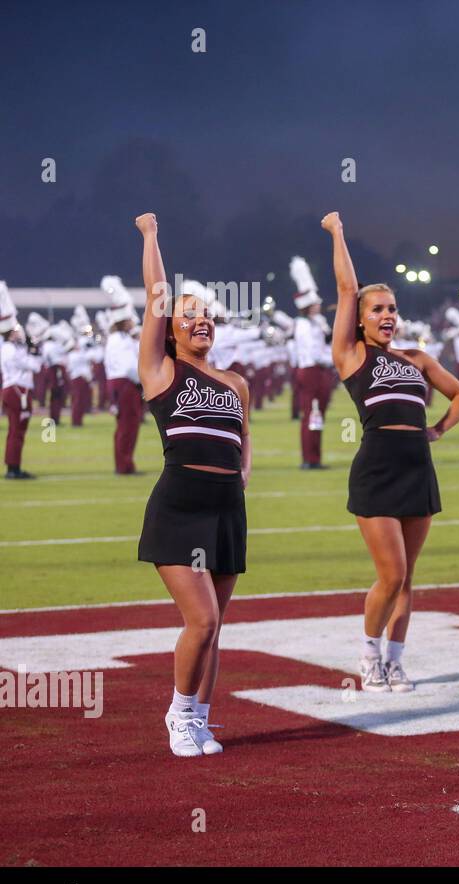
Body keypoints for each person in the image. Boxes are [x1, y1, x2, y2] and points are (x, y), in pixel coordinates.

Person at [323, 212, 459, 694]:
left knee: (408, 579)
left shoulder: (419, 360)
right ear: (361, 319)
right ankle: (368, 656)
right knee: (391, 574)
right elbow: (347, 289)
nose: (388, 316)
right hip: (378, 469)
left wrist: (438, 431)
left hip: (418, 468)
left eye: (392, 308)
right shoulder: (352, 356)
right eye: (378, 310)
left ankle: (396, 662)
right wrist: (339, 233)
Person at [133, 212, 251, 758]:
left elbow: (242, 440)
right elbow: (158, 292)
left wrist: (242, 475)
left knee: (216, 625)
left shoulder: (236, 383)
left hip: (226, 509)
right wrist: (153, 236)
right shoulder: (161, 371)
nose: (201, 322)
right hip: (180, 508)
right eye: (190, 317)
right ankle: (179, 715)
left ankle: (202, 718)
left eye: (207, 317)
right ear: (172, 328)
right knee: (200, 620)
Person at [290, 257, 333, 470]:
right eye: (316, 303)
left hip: (318, 372)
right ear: (308, 306)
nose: (320, 304)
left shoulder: (316, 323)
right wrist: (334, 360)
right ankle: (310, 459)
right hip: (312, 372)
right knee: (312, 415)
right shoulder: (304, 326)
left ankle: (314, 457)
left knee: (317, 416)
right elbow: (315, 354)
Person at [102, 277, 143, 476]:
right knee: (129, 426)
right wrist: (142, 382)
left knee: (123, 426)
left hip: (117, 383)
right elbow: (129, 367)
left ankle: (123, 463)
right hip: (126, 383)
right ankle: (125, 465)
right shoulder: (121, 340)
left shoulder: (115, 339)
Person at [1, 309, 42, 480]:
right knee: (17, 430)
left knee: (16, 430)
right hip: (17, 391)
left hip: (16, 389)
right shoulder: (10, 349)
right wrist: (34, 353)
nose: (19, 331)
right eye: (16, 329)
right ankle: (13, 468)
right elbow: (34, 366)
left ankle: (13, 465)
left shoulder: (10, 347)